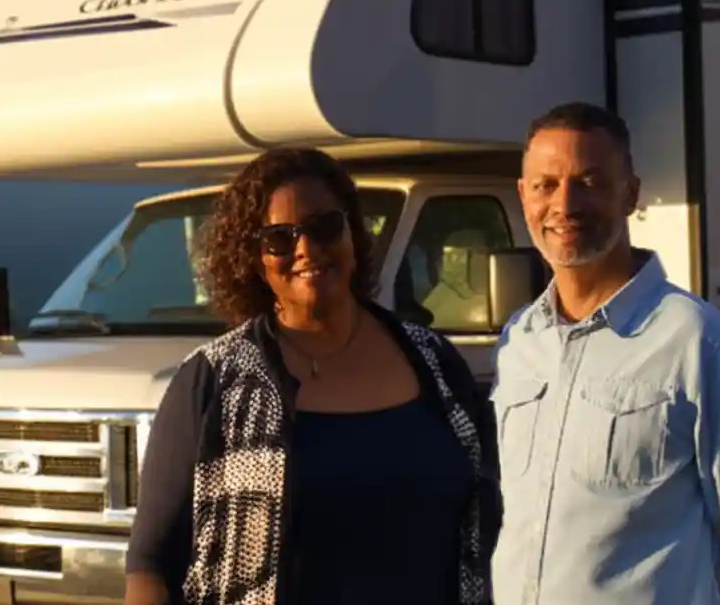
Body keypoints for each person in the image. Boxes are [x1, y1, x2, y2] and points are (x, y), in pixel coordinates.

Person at [124, 148, 499, 605]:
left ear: (352, 233)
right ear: (253, 257)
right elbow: (150, 565)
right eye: (280, 239)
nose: (306, 249)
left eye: (325, 227)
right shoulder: (214, 380)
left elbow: (487, 520)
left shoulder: (435, 362)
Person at [490, 102, 720, 604]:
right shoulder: (519, 343)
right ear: (523, 196)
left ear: (631, 194)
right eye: (546, 185)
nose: (565, 204)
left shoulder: (700, 341)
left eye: (589, 182)